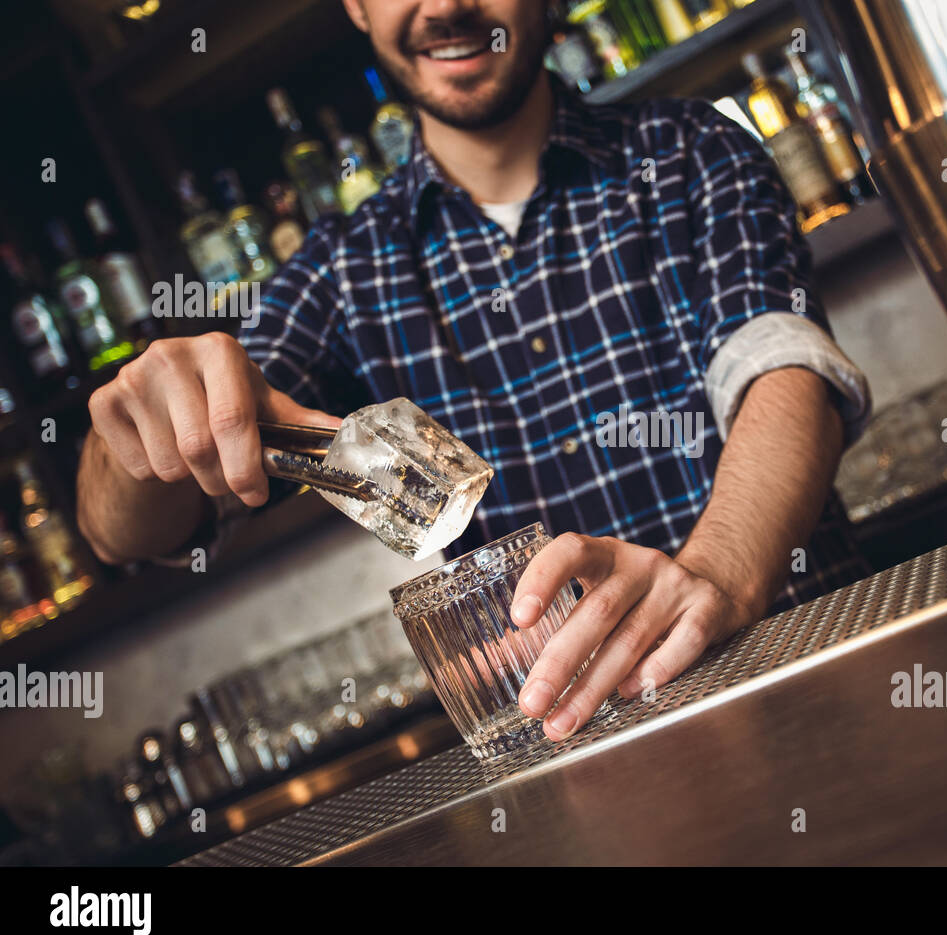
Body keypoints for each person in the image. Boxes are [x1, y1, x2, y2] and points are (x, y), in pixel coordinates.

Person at [77, 0, 871, 743]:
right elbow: (129, 533)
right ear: (355, 6)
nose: (447, 6)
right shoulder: (341, 274)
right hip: (593, 753)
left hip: (816, 685)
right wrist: (139, 434)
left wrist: (717, 576)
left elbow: (780, 365)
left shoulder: (692, 150)